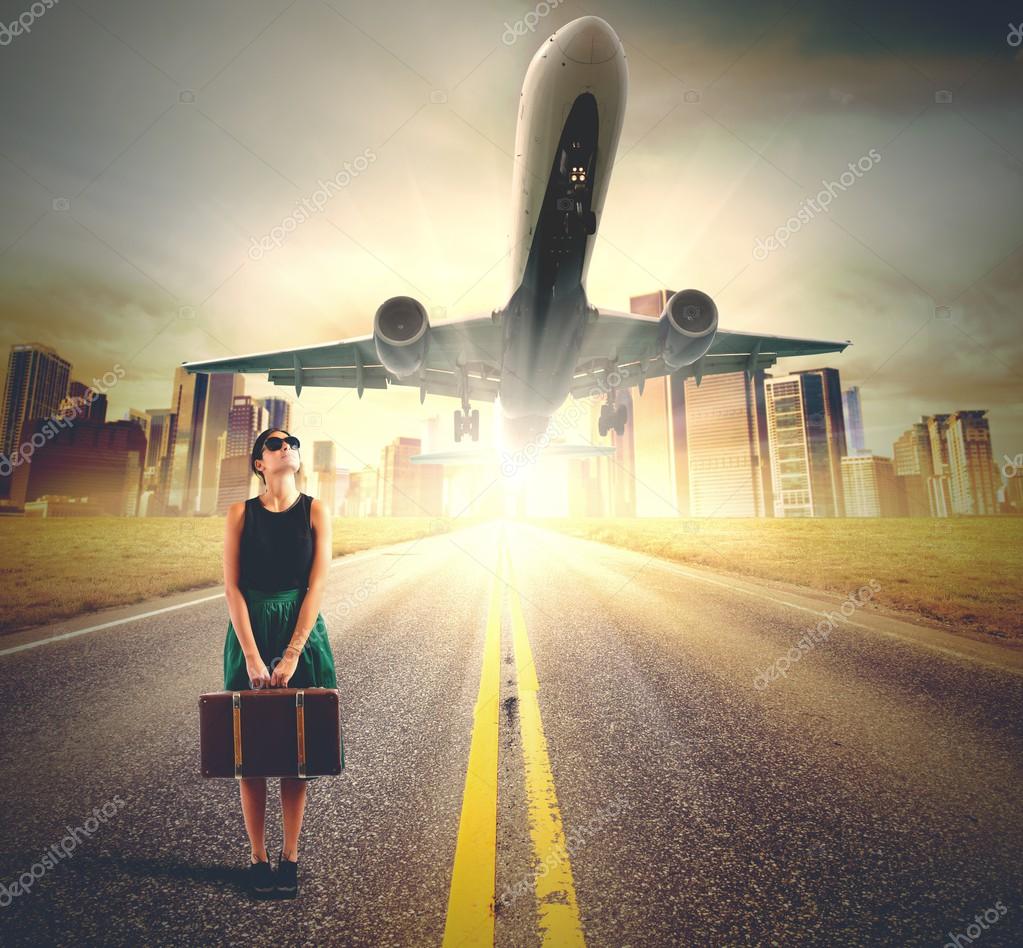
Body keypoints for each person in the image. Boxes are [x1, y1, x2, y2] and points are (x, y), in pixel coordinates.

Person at [222, 427, 338, 899]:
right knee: (250, 753)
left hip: (302, 633)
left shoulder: (315, 510)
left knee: (296, 752)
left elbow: (318, 584)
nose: (287, 446)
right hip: (249, 627)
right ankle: (257, 857)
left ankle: (289, 857)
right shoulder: (238, 514)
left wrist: (292, 652)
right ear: (259, 463)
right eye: (275, 443)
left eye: (292, 441)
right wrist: (251, 655)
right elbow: (231, 588)